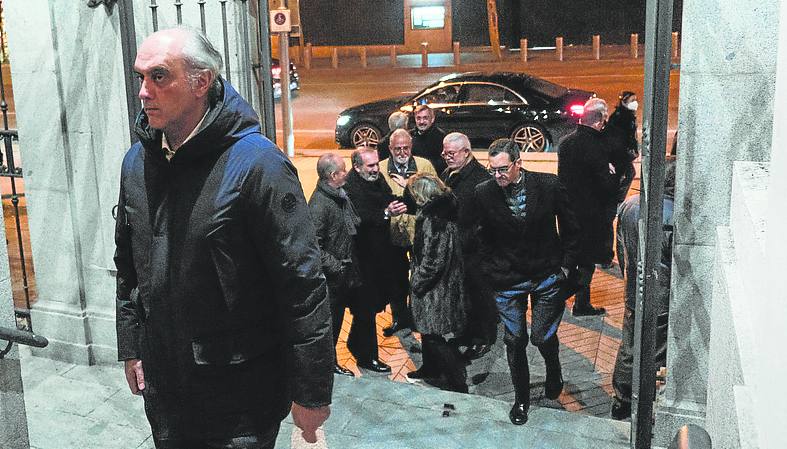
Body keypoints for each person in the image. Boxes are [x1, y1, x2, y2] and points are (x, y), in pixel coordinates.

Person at [114, 27, 332, 448]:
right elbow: (128, 265)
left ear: (201, 82)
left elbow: (303, 287)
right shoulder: (137, 162)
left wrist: (311, 392)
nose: (143, 91)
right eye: (140, 77)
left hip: (240, 402)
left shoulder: (259, 166)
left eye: (159, 76)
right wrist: (133, 346)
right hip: (167, 393)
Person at [473, 138, 580, 425]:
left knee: (542, 335)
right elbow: (480, 237)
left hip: (546, 275)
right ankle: (521, 398)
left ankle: (553, 367)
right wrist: (488, 272)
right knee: (515, 339)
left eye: (503, 169)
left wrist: (567, 267)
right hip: (507, 279)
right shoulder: (483, 193)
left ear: (518, 163)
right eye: (492, 170)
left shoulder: (548, 185)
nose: (498, 176)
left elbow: (571, 228)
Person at [611, 158, 675, 420]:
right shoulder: (672, 215)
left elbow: (621, 249)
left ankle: (621, 398)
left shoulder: (630, 205)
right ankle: (645, 400)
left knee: (629, 343)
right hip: (660, 295)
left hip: (634, 290)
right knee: (655, 349)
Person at [342, 146, 408, 373]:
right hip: (362, 260)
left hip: (379, 258)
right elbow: (359, 220)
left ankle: (355, 344)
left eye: (376, 164)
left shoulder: (375, 179)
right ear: (357, 167)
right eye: (370, 166)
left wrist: (395, 204)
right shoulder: (350, 188)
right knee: (365, 309)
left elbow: (385, 198)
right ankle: (367, 356)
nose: (375, 169)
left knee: (369, 308)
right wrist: (386, 214)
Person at [404, 173, 468, 393]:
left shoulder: (434, 220)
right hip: (442, 285)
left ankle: (456, 380)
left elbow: (434, 260)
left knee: (435, 336)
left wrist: (417, 283)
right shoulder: (442, 211)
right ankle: (430, 368)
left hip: (436, 289)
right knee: (429, 333)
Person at [557, 97, 619, 316]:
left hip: (566, 213)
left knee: (570, 257)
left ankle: (561, 299)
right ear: (600, 120)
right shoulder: (597, 147)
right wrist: (611, 173)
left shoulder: (565, 143)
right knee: (586, 263)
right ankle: (575, 302)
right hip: (591, 217)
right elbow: (606, 186)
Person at [440, 132, 497, 360]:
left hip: (476, 252)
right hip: (457, 249)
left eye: (451, 153)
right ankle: (466, 333)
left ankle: (484, 338)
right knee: (464, 296)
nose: (446, 157)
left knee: (480, 297)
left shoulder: (480, 180)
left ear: (466, 152)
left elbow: (488, 220)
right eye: (445, 152)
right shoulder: (450, 172)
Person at [308, 153, 363, 378]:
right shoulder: (321, 205)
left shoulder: (339, 196)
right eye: (343, 170)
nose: (347, 172)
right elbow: (314, 246)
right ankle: (328, 364)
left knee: (340, 319)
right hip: (333, 278)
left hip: (345, 271)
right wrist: (337, 266)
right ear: (333, 175)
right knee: (331, 322)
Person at [379, 129, 436, 337]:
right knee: (396, 279)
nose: (402, 152)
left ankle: (419, 318)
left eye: (406, 148)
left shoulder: (424, 166)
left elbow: (434, 196)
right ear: (390, 149)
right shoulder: (381, 168)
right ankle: (399, 318)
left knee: (420, 276)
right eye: (397, 149)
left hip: (419, 233)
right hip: (393, 235)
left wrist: (410, 188)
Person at [604, 90, 639, 203]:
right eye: (632, 100)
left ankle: (616, 198)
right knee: (625, 174)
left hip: (622, 153)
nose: (635, 103)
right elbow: (617, 137)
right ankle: (616, 199)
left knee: (627, 174)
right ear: (624, 102)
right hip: (619, 154)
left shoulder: (628, 115)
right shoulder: (620, 117)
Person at [410, 104, 447, 174]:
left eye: (425, 118)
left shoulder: (441, 137)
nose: (421, 122)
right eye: (418, 118)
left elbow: (443, 161)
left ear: (432, 119)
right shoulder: (409, 136)